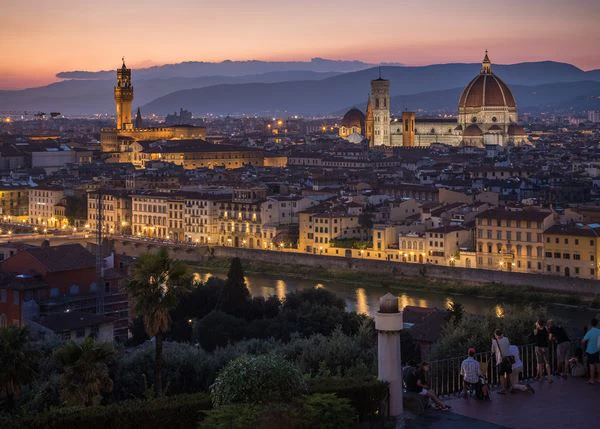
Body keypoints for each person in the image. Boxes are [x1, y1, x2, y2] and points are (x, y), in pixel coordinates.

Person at [491, 329, 511, 394]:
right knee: (508, 373)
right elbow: (508, 345)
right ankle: (509, 387)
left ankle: (503, 389)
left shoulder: (494, 342)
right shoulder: (506, 339)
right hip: (508, 359)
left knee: (501, 375)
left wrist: (493, 341)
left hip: (500, 360)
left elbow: (493, 351)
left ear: (496, 335)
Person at [581, 318, 600, 384]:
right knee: (598, 364)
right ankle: (599, 378)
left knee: (591, 365)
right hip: (597, 351)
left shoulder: (589, 332)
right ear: (597, 324)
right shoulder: (599, 331)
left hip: (590, 351)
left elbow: (583, 341)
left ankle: (592, 380)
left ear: (591, 324)